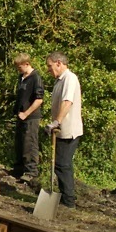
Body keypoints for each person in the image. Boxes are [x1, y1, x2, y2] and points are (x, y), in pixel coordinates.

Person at [44, 51, 83, 209]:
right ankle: (63, 196)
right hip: (61, 130)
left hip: (69, 130)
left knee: (63, 164)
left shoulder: (69, 78)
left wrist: (56, 122)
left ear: (59, 63)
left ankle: (69, 201)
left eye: (50, 66)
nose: (49, 70)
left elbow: (67, 102)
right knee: (59, 164)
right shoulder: (59, 80)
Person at [11, 53, 44, 181]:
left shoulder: (35, 78)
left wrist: (26, 113)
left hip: (31, 117)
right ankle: (18, 170)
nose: (18, 70)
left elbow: (39, 99)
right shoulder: (22, 77)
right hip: (20, 116)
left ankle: (31, 172)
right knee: (19, 143)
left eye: (20, 67)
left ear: (27, 64)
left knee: (29, 144)